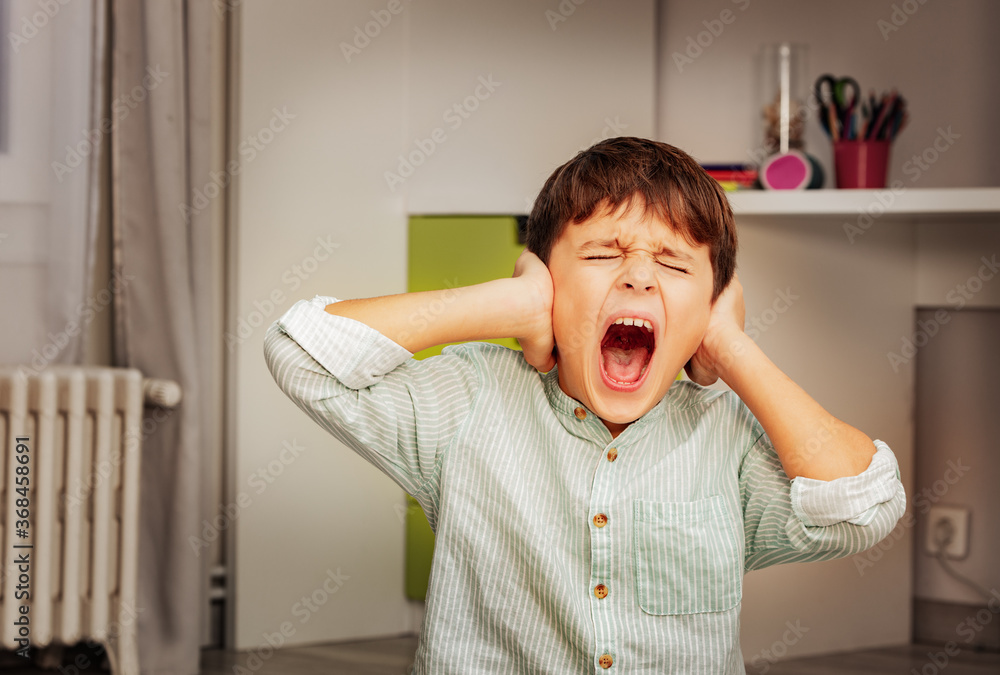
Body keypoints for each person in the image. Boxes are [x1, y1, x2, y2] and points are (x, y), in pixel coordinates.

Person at [264, 137, 906, 673]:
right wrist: (504, 304)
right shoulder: (470, 400)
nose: (639, 277)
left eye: (677, 267)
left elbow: (861, 508)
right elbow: (300, 352)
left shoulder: (724, 438)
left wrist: (731, 346)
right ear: (546, 282)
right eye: (602, 254)